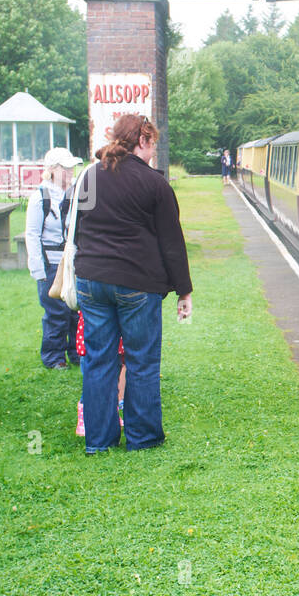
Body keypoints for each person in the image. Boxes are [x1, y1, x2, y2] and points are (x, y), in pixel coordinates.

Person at [74, 114, 192, 454]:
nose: (154, 150)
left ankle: (98, 441)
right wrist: (183, 290)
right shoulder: (154, 184)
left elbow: (82, 225)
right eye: (152, 142)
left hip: (92, 280)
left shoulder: (91, 178)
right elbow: (171, 241)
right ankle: (142, 438)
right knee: (141, 360)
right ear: (142, 140)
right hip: (137, 284)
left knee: (99, 360)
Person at [25, 146, 82, 369]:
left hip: (72, 262)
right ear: (52, 170)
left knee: (75, 311)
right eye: (65, 168)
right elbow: (32, 234)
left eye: (71, 168)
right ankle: (53, 357)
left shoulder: (77, 193)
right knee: (56, 312)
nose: (69, 173)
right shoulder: (40, 196)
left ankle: (76, 353)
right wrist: (37, 269)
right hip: (51, 263)